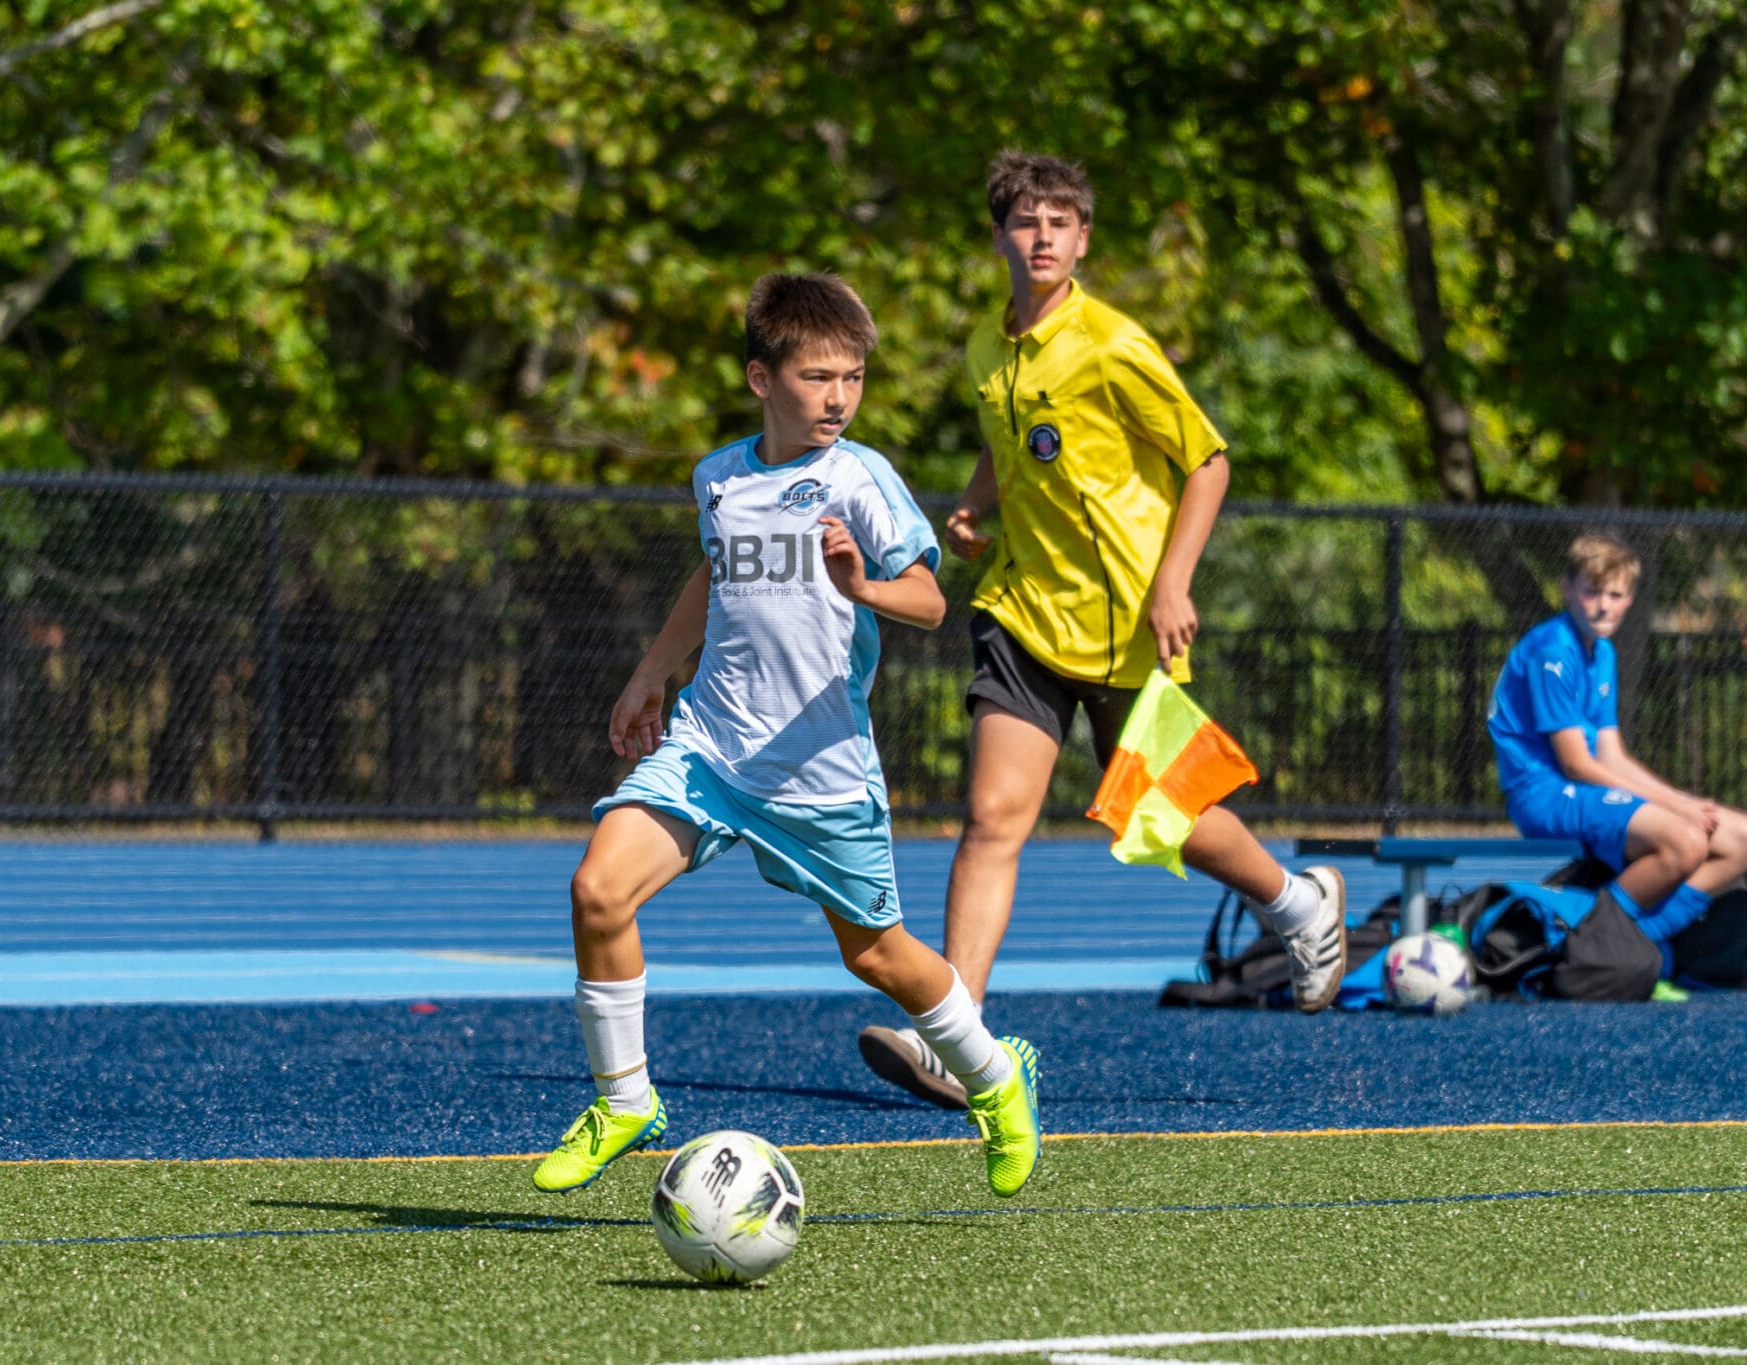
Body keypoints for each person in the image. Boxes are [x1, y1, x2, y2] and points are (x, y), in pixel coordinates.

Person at [531, 273, 1042, 1199]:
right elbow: (712, 575)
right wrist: (654, 671)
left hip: (821, 770)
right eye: (818, 377)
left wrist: (863, 587)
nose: (839, 397)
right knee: (598, 889)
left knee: (876, 953)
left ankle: (996, 1077)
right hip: (713, 749)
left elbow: (929, 600)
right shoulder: (718, 477)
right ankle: (625, 1100)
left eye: (853, 377)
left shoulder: (859, 478)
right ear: (762, 378)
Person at [858, 151, 1347, 1110]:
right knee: (992, 817)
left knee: (1158, 818)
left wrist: (1174, 582)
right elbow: (1008, 441)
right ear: (999, 237)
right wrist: (977, 505)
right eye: (1024, 221)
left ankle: (1298, 901)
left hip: (1126, 623)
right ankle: (956, 1038)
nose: (1041, 237)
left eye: (1060, 223)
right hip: (1022, 612)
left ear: (1082, 240)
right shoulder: (985, 347)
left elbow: (1207, 460)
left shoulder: (1114, 344)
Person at [1488, 533, 1747, 972]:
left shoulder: (1602, 651)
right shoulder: (1553, 650)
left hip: (1586, 787)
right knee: (1685, 842)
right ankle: (1585, 944)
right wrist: (1677, 809)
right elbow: (1576, 764)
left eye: (1615, 595)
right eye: (1592, 592)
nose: (1603, 606)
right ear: (1566, 589)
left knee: (1741, 840)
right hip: (1546, 793)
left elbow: (1612, 756)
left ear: (1629, 599)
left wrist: (1683, 801)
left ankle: (1638, 946)